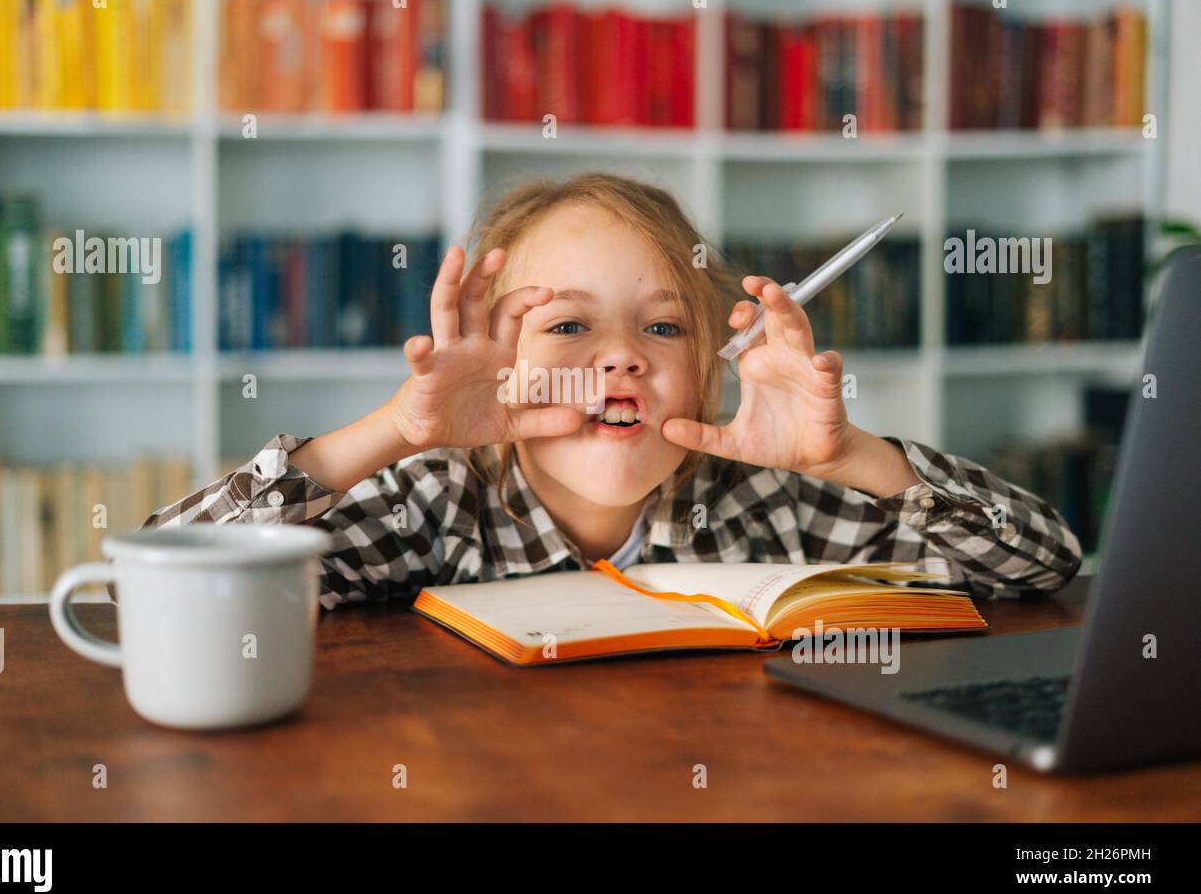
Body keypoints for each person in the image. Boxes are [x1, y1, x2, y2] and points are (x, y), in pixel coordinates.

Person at [140, 172, 1081, 610]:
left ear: (717, 359)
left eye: (664, 327)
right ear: (498, 362)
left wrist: (850, 455)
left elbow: (1044, 563)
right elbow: (164, 576)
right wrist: (392, 429)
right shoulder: (437, 496)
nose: (622, 358)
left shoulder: (774, 502)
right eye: (569, 325)